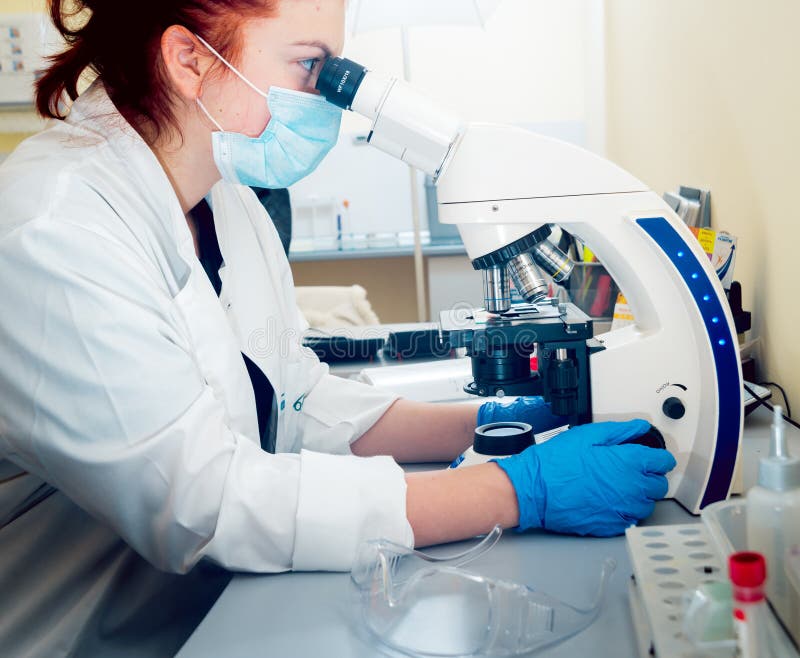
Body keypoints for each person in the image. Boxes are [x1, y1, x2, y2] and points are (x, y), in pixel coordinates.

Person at [0, 1, 676, 655]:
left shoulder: (226, 199)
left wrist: (488, 423)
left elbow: (301, 399)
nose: (328, 98)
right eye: (308, 66)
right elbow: (204, 503)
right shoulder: (53, 227)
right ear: (188, 60)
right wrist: (516, 491)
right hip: (92, 636)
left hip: (223, 612)